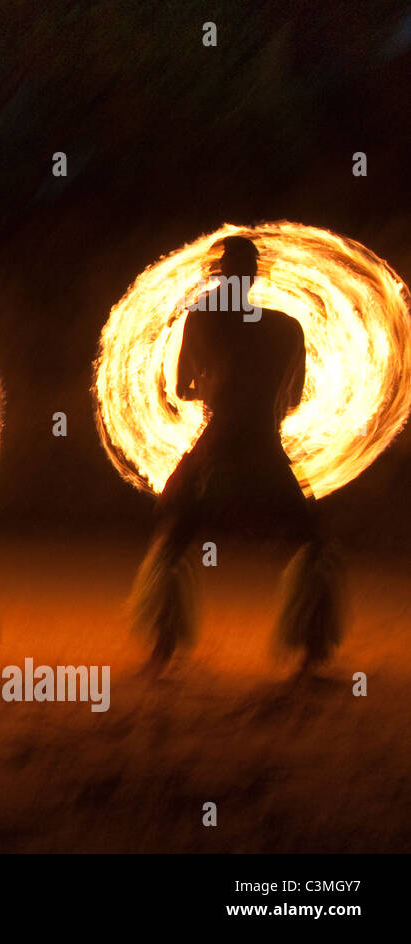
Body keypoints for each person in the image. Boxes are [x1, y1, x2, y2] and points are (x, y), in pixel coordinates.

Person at [132, 235, 344, 675]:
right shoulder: (287, 326)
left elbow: (183, 390)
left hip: (218, 445)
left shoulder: (201, 321)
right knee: (310, 541)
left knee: (172, 529)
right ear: (256, 276)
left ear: (220, 274)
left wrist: (216, 385)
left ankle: (162, 649)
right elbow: (294, 398)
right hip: (265, 448)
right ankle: (311, 651)